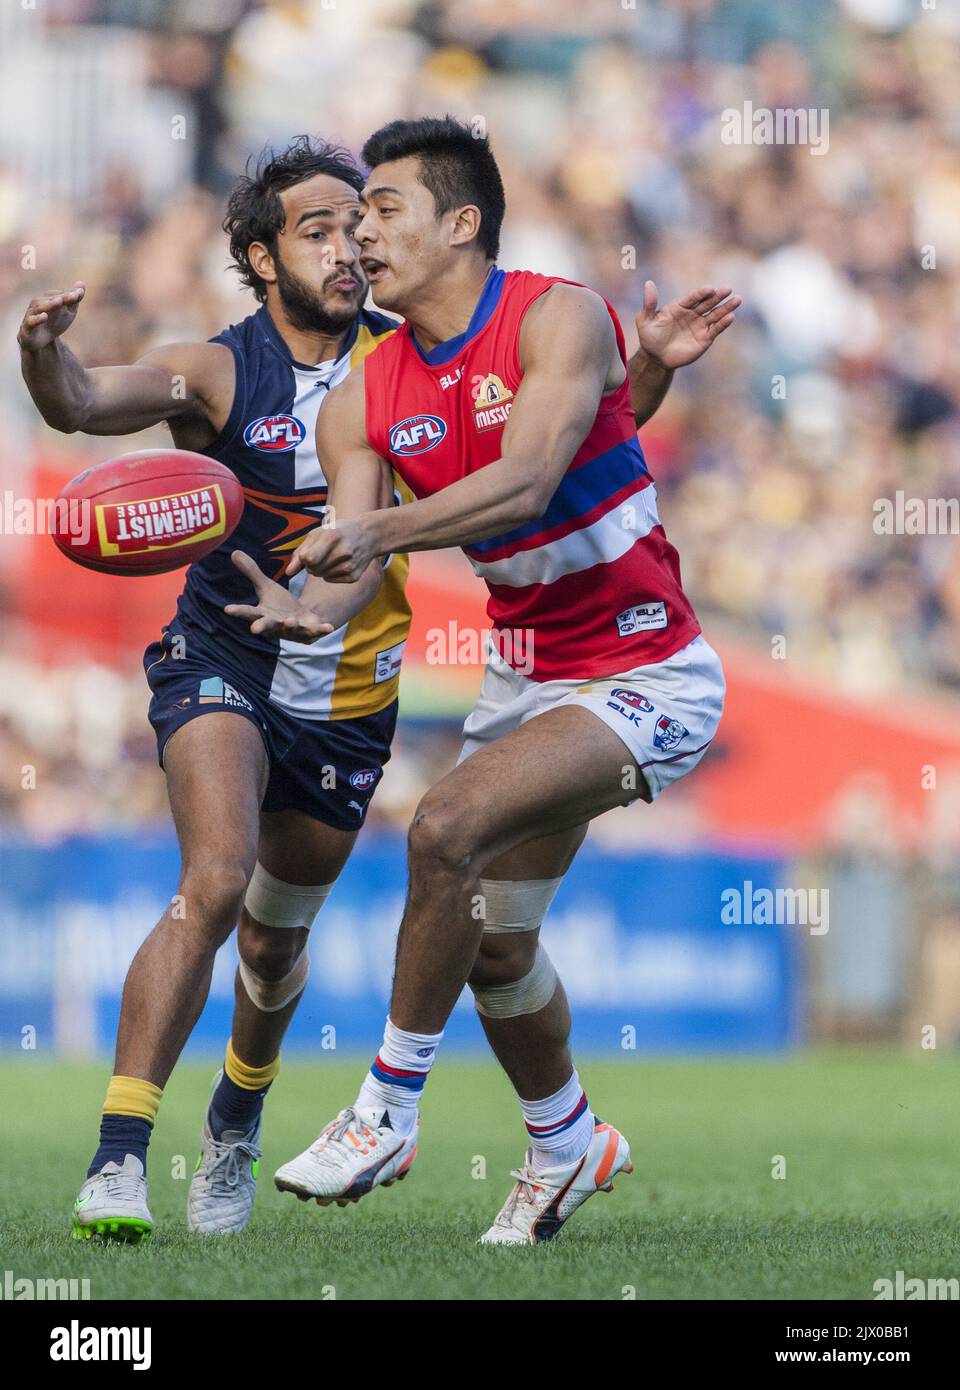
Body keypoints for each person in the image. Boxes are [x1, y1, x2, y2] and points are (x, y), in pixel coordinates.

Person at [251, 117, 738, 1245]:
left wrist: (643, 364)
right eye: (353, 215)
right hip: (527, 678)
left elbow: (526, 482)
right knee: (498, 943)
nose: (360, 234)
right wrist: (302, 607)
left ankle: (387, 1107)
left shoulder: (557, 312)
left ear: (461, 224)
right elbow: (348, 558)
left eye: (383, 209)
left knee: (444, 827)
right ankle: (568, 1140)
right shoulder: (361, 394)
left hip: (646, 669)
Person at [18, 137, 409, 1241]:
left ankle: (234, 1125)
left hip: (347, 693)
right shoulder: (220, 370)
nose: (348, 249)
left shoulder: (410, 364)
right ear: (260, 253)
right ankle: (118, 1156)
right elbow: (86, 402)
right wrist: (45, 354)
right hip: (223, 656)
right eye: (318, 230)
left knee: (277, 943)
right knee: (218, 877)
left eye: (357, 228)